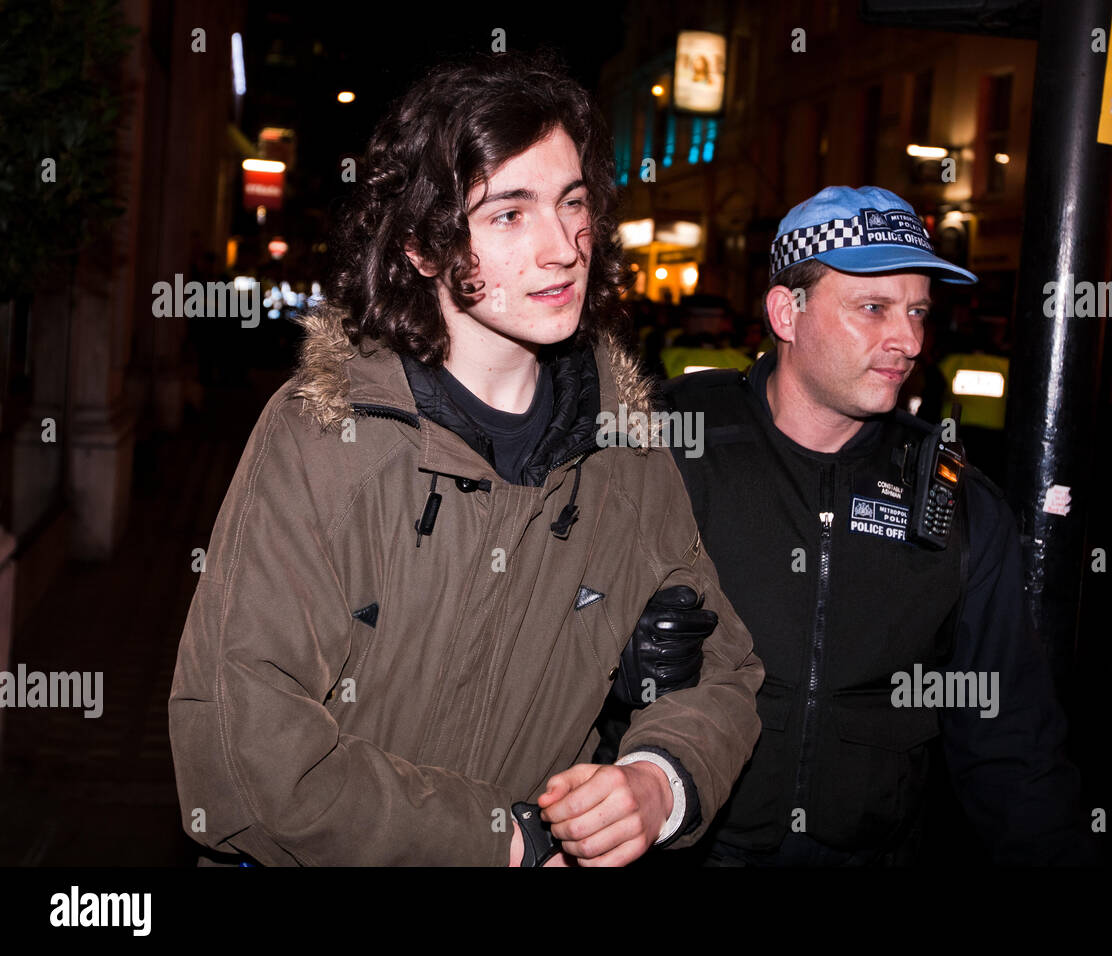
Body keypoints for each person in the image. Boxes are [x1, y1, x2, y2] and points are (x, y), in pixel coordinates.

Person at [168, 51, 762, 867]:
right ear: (421, 246)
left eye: (572, 203)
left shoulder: (627, 451)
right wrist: (499, 840)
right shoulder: (325, 436)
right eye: (509, 214)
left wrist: (657, 782)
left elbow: (723, 670)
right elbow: (245, 750)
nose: (561, 249)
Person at [662, 185, 1092, 865]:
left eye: (918, 311)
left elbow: (1009, 735)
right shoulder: (672, 453)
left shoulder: (956, 500)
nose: (910, 339)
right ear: (787, 312)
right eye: (874, 308)